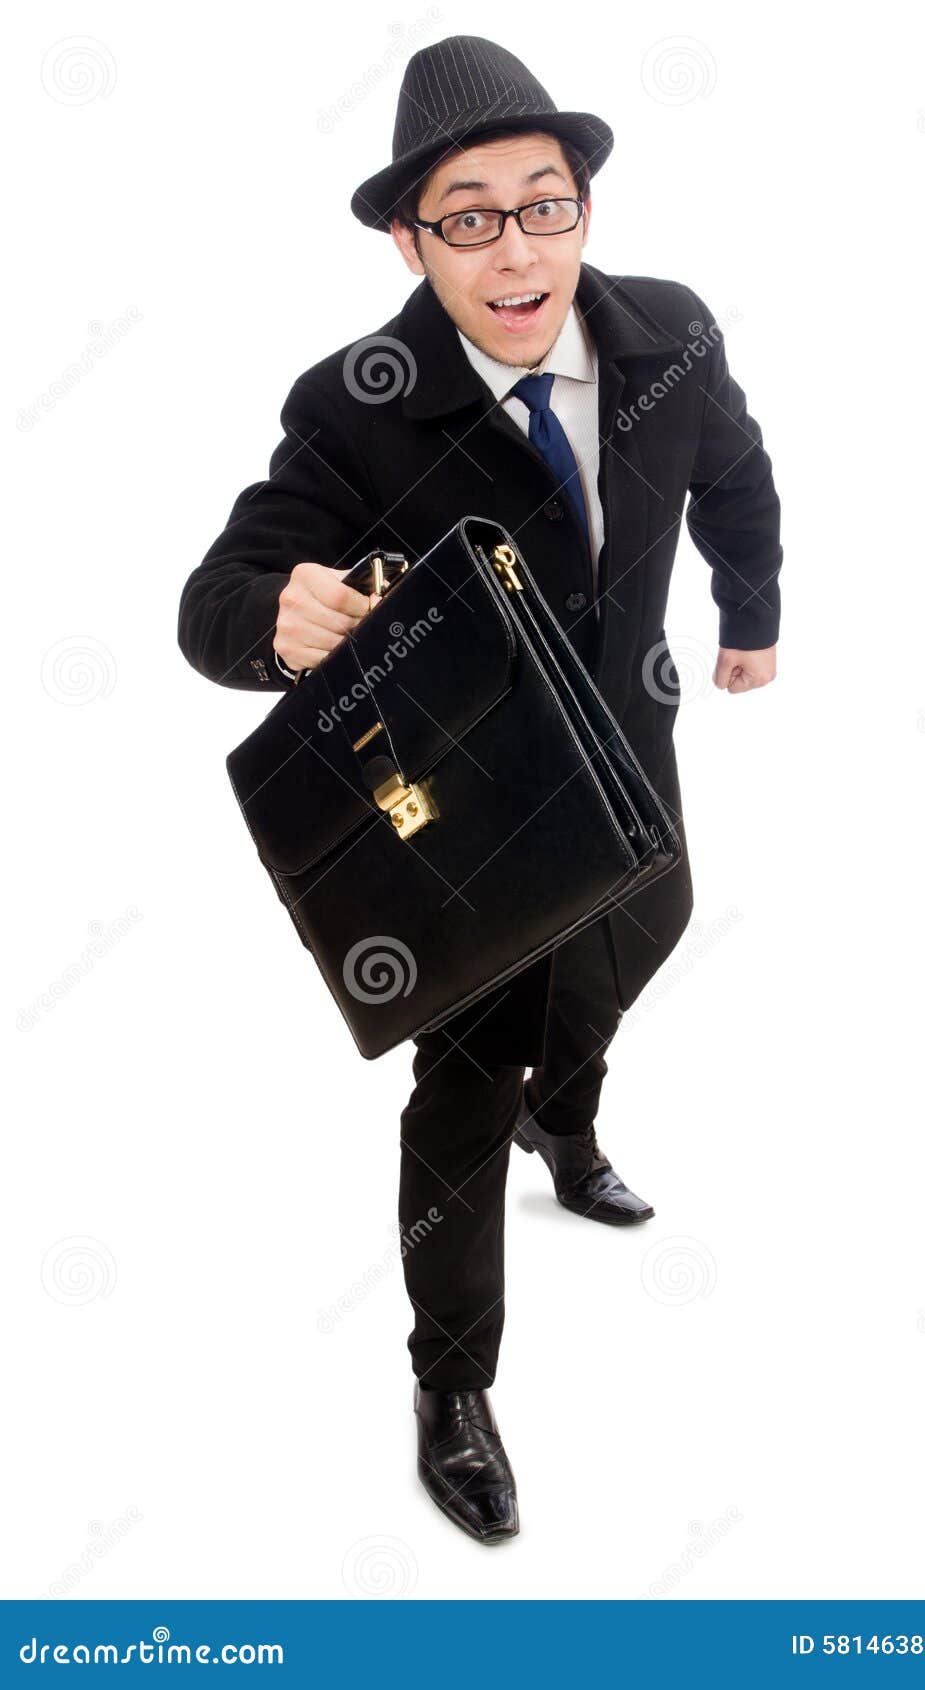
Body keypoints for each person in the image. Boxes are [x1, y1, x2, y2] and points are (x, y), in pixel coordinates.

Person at [177, 35, 783, 1545]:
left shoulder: (671, 338)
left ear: (583, 208)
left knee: (649, 928)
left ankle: (565, 1128)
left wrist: (751, 611)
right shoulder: (357, 404)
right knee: (464, 1078)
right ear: (411, 235)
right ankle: (451, 1384)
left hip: (628, 743)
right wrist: (281, 615)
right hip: (471, 811)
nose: (516, 249)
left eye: (545, 205)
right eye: (469, 215)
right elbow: (216, 593)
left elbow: (738, 471)